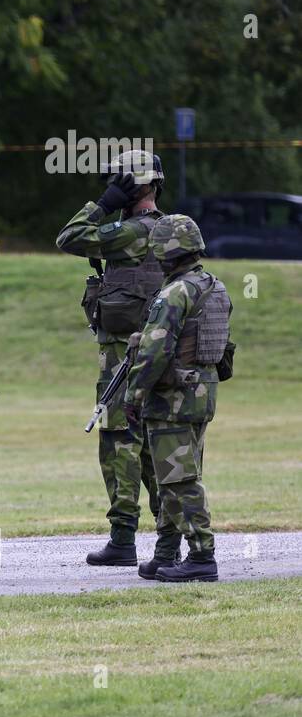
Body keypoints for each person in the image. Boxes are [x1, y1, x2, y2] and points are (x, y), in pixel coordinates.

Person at [56, 150, 174, 567]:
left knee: (119, 442)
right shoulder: (173, 231)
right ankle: (170, 537)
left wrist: (101, 206)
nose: (112, 190)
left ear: (138, 186)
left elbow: (68, 237)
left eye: (119, 183)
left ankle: (123, 538)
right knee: (156, 445)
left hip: (123, 358)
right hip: (164, 357)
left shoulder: (128, 233)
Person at [124, 214, 232, 582]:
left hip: (172, 400)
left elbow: (154, 352)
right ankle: (167, 552)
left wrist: (133, 394)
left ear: (166, 251)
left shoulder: (174, 293)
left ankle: (202, 555)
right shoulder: (214, 286)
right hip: (201, 396)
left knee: (179, 479)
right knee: (173, 475)